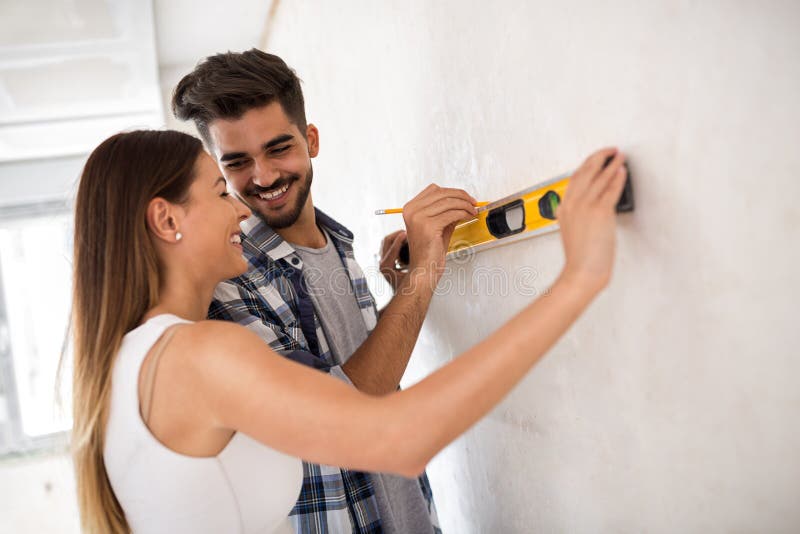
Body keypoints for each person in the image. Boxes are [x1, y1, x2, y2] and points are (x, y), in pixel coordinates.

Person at [69, 127, 627, 534]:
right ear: (167, 220)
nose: (241, 212)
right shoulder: (196, 354)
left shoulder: (130, 358)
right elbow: (398, 439)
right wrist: (579, 279)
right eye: (220, 192)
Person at [171, 49, 484, 534]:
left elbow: (357, 367)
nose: (265, 177)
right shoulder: (227, 290)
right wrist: (421, 279)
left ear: (310, 139)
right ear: (218, 169)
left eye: (279, 149)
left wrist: (399, 294)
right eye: (237, 162)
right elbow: (346, 408)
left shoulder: (339, 245)